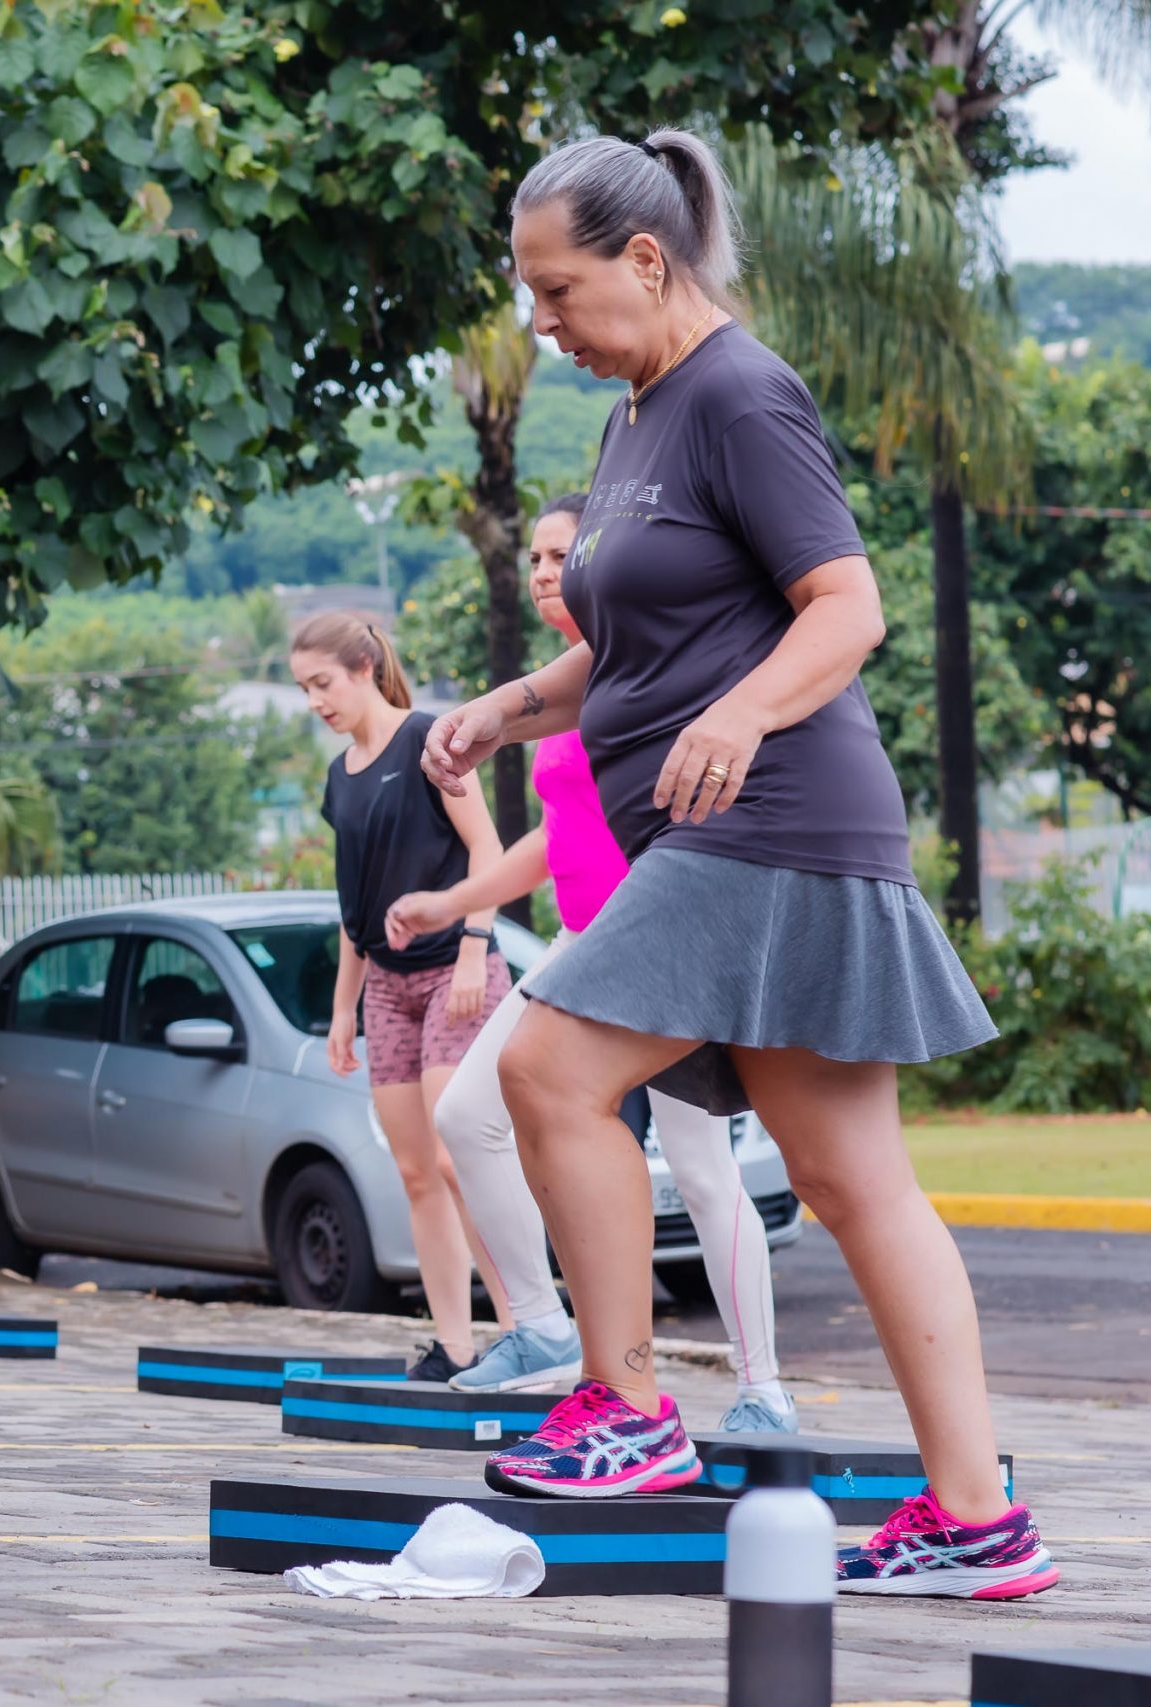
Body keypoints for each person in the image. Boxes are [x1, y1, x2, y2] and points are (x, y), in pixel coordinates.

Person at [422, 130, 1052, 1598]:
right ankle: (978, 1515)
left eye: (560, 289)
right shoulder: (642, 412)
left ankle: (629, 1407)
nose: (543, 324)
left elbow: (847, 607)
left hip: (773, 817)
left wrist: (743, 708)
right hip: (731, 828)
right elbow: (635, 644)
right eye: (531, 295)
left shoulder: (741, 393)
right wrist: (502, 709)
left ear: (649, 260)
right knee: (849, 1174)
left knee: (546, 1068)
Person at [388, 495, 791, 1432]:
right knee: (467, 1113)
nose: (539, 571)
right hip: (579, 944)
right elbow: (557, 833)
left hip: (660, 938)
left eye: (560, 553)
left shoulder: (651, 673)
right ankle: (541, 1324)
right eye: (531, 555)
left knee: (698, 1168)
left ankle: (763, 1390)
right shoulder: (567, 693)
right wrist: (456, 903)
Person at [294, 613, 514, 1384]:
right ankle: (454, 1344)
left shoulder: (431, 739)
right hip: (386, 986)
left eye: (322, 683)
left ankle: (528, 1331)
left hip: (458, 971)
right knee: (417, 1172)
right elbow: (353, 907)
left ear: (362, 667)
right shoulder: (338, 776)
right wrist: (342, 1009)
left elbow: (488, 849)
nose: (315, 700)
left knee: (459, 1160)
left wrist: (473, 947)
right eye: (304, 689)